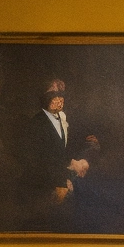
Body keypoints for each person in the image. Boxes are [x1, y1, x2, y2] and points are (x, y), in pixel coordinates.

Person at [21, 77, 95, 227]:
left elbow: (73, 148)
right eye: (53, 94)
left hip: (69, 187)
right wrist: (61, 180)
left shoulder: (65, 119)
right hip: (46, 191)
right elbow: (37, 162)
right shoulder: (36, 124)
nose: (59, 99)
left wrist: (82, 160)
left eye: (61, 94)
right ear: (43, 98)